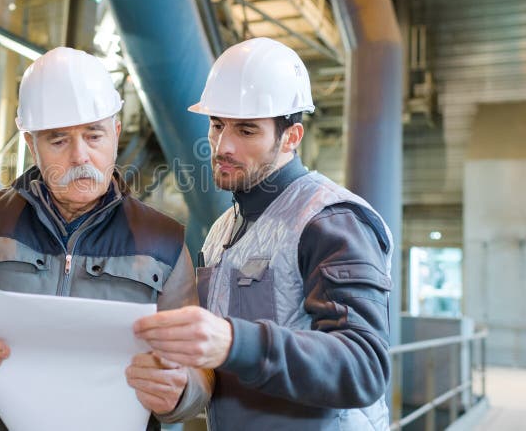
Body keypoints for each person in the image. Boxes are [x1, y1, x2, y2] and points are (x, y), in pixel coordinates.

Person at [0, 47, 211, 429]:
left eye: (94, 136)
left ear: (116, 133)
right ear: (30, 144)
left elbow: (198, 368)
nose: (80, 156)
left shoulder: (164, 241)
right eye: (58, 141)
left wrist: (181, 390)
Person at [133, 38, 393, 430]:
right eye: (217, 125)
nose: (223, 146)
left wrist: (235, 342)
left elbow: (364, 366)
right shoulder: (221, 231)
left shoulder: (332, 220)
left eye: (247, 131)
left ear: (291, 137)